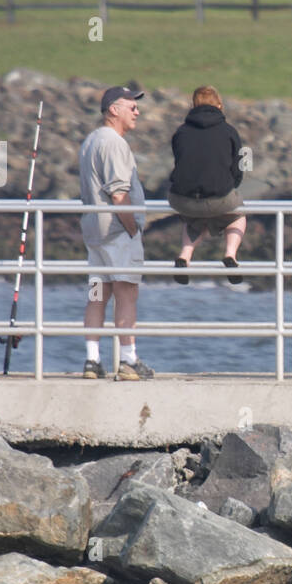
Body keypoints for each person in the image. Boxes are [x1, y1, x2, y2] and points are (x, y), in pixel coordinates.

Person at [79, 85, 153, 380]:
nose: (137, 111)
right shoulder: (114, 143)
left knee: (97, 294)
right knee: (126, 293)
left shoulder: (90, 141)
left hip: (95, 237)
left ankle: (91, 360)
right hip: (117, 235)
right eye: (132, 106)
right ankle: (128, 361)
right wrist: (133, 227)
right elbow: (119, 194)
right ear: (114, 109)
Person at [168, 85, 247, 288]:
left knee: (193, 217)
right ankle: (230, 255)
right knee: (238, 215)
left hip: (182, 199)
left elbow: (180, 162)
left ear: (193, 105)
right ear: (219, 105)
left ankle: (184, 257)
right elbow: (239, 169)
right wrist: (230, 185)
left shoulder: (181, 132)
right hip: (219, 197)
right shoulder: (229, 132)